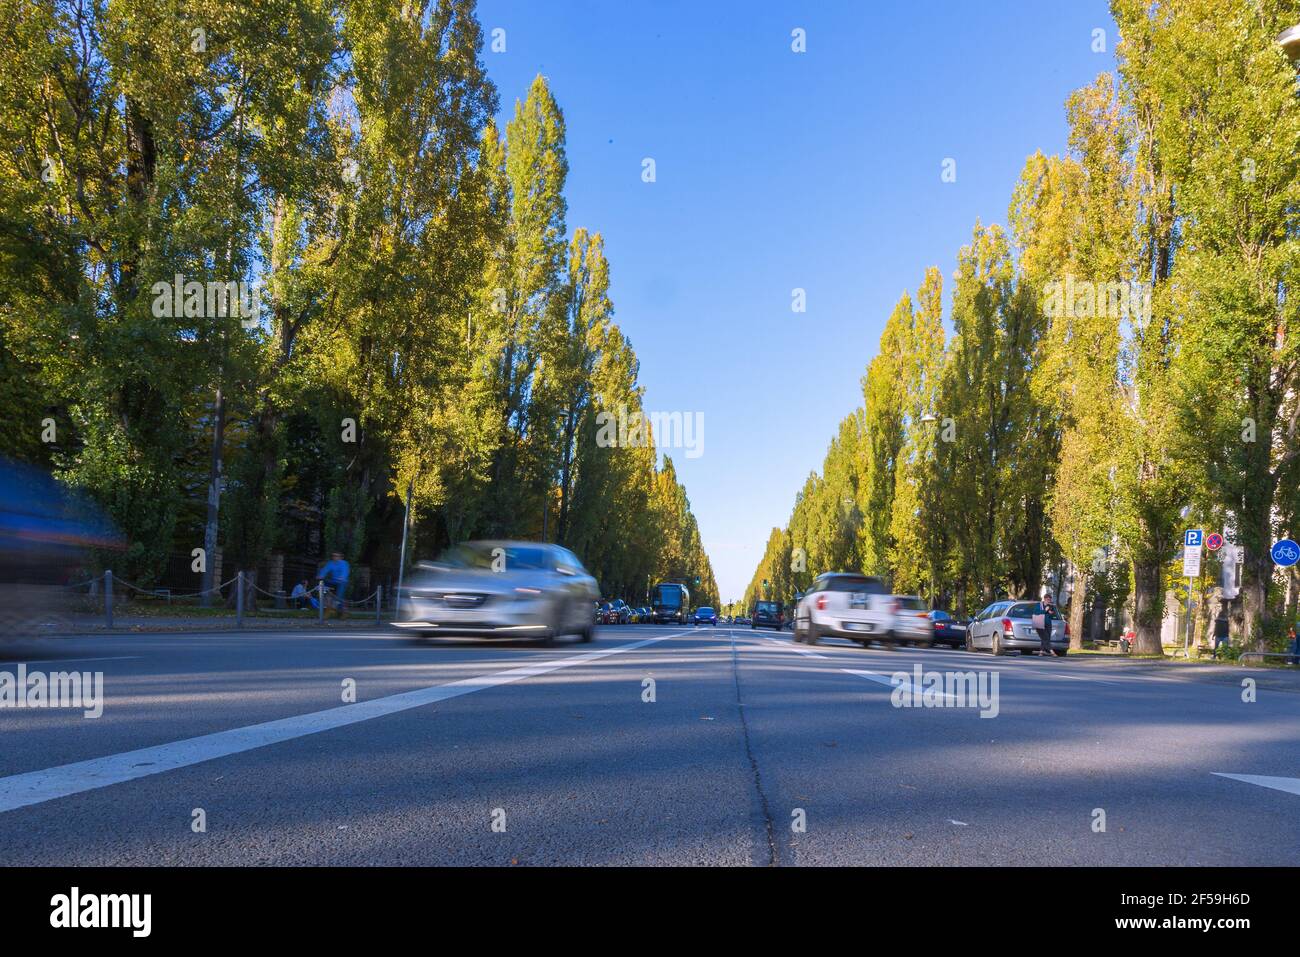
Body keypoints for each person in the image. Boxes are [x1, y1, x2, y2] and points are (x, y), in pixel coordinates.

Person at [317, 551, 350, 619]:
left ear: (341, 557)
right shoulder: (330, 563)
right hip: (333, 581)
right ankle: (329, 607)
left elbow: (345, 572)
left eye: (337, 556)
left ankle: (340, 611)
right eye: (333, 556)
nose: (335, 557)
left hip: (342, 581)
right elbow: (325, 570)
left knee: (339, 595)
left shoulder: (344, 563)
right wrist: (321, 576)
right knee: (325, 588)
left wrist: (342, 577)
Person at [1036, 591, 1057, 656]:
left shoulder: (1051, 606)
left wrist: (1052, 613)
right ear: (1044, 599)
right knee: (1045, 638)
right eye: (1048, 599)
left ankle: (1041, 652)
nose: (1049, 601)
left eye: (1050, 600)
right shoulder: (1039, 605)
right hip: (1040, 623)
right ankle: (1052, 652)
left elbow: (1054, 615)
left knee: (1046, 638)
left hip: (1048, 623)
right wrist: (1045, 610)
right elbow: (1036, 613)